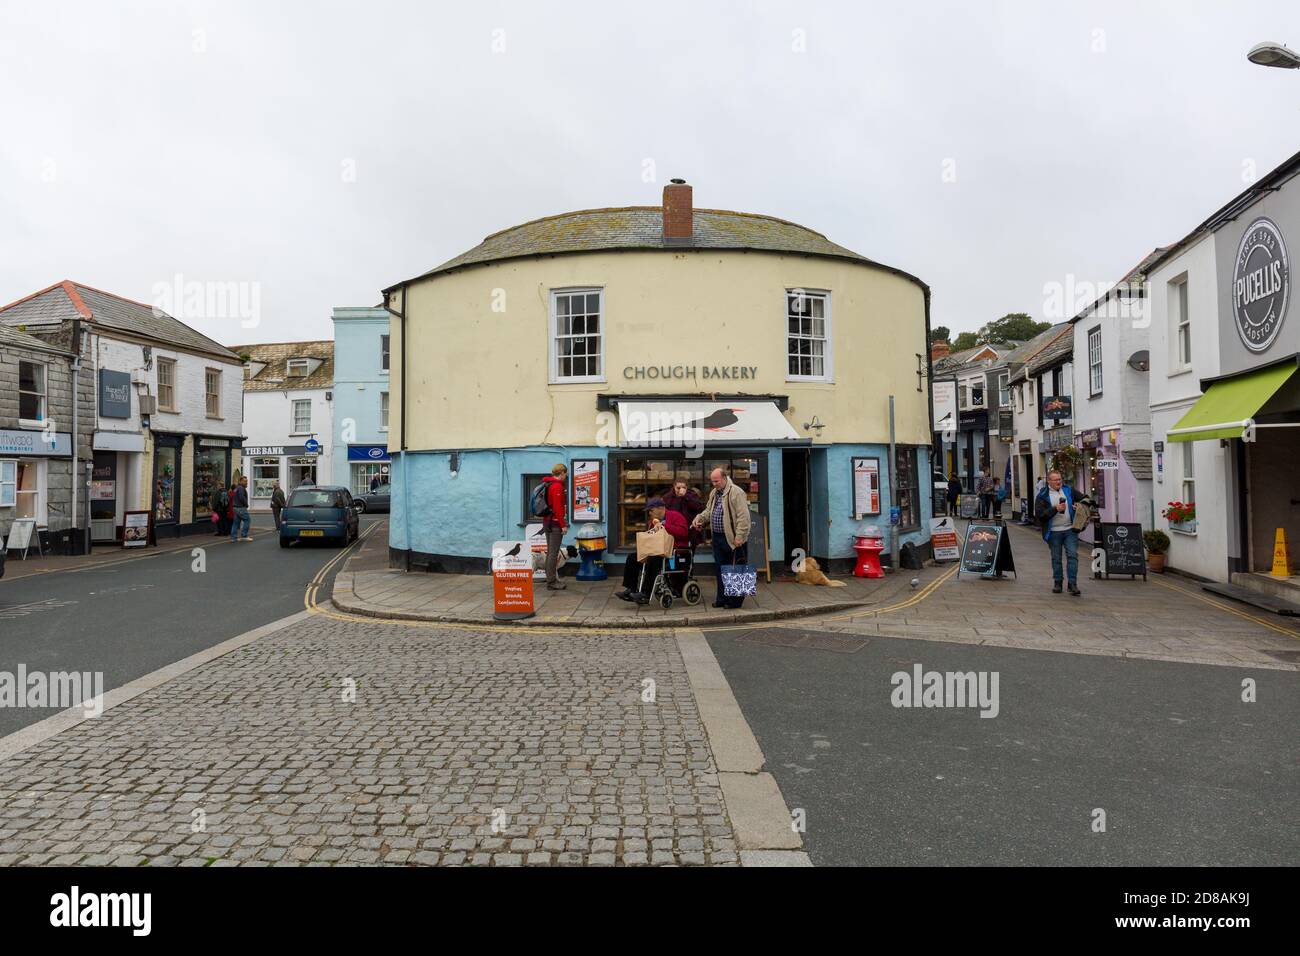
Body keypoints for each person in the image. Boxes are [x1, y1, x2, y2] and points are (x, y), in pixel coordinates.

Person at [692, 467, 752, 609]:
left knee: (736, 568)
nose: (714, 484)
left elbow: (744, 517)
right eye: (712, 481)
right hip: (717, 537)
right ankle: (722, 599)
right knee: (720, 568)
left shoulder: (736, 492)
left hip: (733, 538)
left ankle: (735, 602)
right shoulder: (714, 493)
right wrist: (700, 517)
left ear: (724, 478)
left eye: (716, 481)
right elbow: (709, 510)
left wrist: (740, 536)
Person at [615, 498, 690, 604]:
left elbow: (684, 533)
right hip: (656, 550)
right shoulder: (652, 522)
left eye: (651, 510)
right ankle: (631, 589)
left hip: (673, 554)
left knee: (653, 559)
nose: (649, 513)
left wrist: (665, 526)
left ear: (660, 508)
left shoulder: (675, 516)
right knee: (632, 557)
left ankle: (645, 593)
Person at [1034, 469, 1082, 596]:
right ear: (1049, 481)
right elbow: (1040, 516)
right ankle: (1058, 582)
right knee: (1056, 558)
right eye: (1055, 480)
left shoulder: (1068, 490)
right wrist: (1055, 509)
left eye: (1060, 479)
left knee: (1072, 555)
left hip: (1070, 530)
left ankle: (1072, 584)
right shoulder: (1042, 496)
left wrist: (1078, 505)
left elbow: (1085, 499)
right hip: (1054, 532)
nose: (1058, 482)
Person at [541, 463, 568, 590]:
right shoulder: (557, 486)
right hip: (555, 523)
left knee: (550, 553)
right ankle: (551, 582)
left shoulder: (548, 484)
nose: (566, 476)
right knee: (553, 553)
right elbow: (557, 507)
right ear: (562, 473)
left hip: (547, 522)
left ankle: (551, 579)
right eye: (565, 474)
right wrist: (563, 525)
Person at [662, 479, 704, 545]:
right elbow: (664, 512)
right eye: (678, 488)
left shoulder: (692, 495)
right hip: (674, 528)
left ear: (687, 488)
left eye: (684, 488)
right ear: (674, 487)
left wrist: (685, 496)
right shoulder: (667, 497)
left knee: (689, 551)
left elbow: (699, 508)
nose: (680, 490)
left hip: (689, 528)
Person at [230, 475, 251, 542]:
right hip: (240, 507)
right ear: (240, 481)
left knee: (236, 523)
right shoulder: (241, 488)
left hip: (235, 508)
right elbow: (242, 497)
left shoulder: (236, 488)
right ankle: (244, 535)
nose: (246, 483)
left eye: (247, 481)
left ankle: (234, 538)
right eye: (245, 481)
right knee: (247, 520)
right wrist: (246, 504)